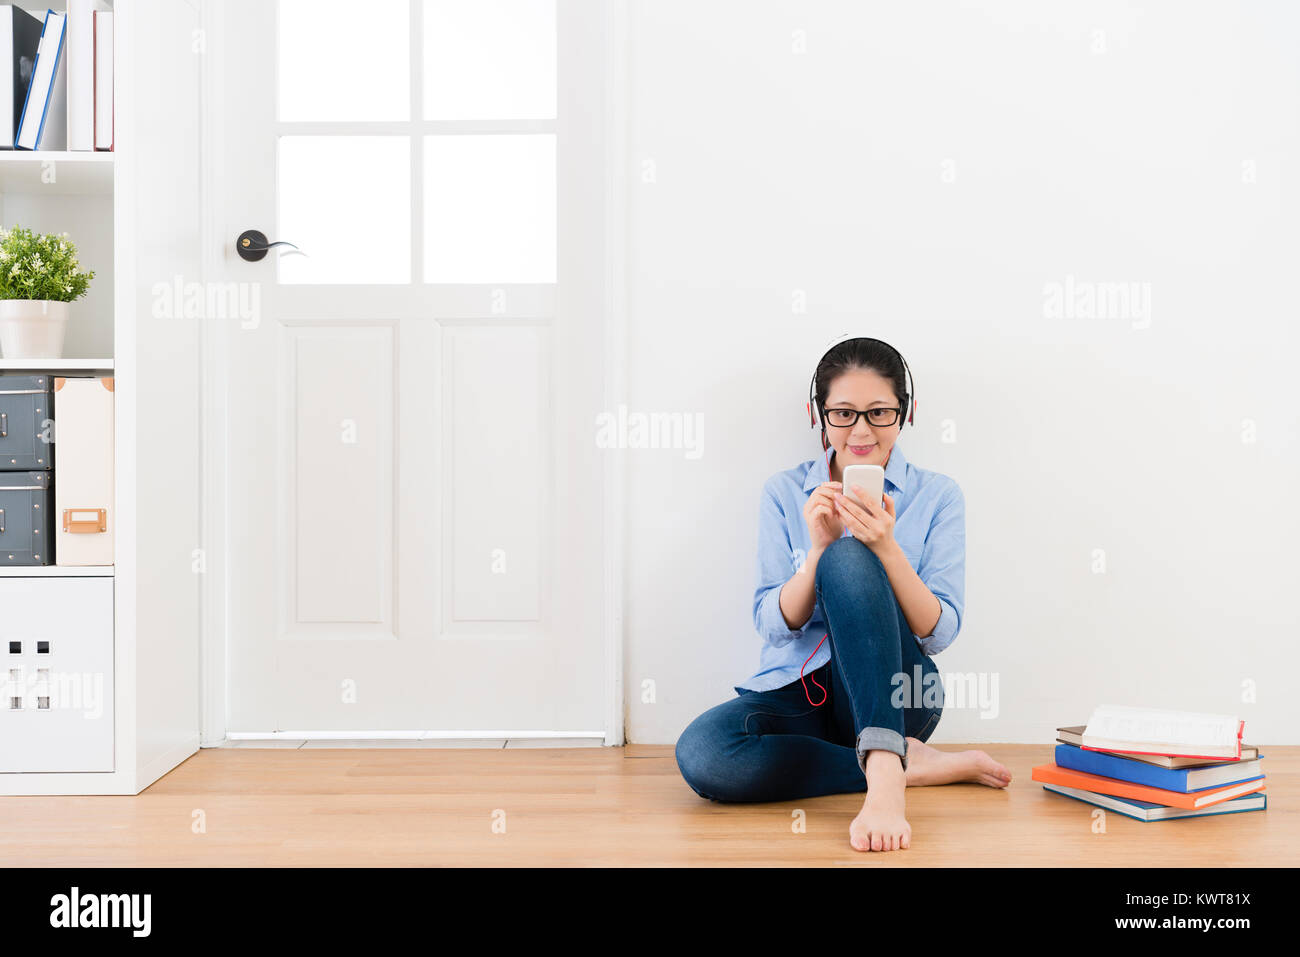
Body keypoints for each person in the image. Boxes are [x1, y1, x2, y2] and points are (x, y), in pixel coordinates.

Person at [675, 336, 1011, 852]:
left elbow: (939, 631)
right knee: (705, 753)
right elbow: (770, 622)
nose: (860, 431)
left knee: (851, 558)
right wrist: (816, 553)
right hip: (801, 689)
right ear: (819, 414)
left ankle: (883, 770)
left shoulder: (939, 495)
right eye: (843, 413)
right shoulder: (784, 493)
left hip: (901, 690)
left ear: (907, 412)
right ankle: (904, 764)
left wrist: (885, 550)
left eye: (879, 412)